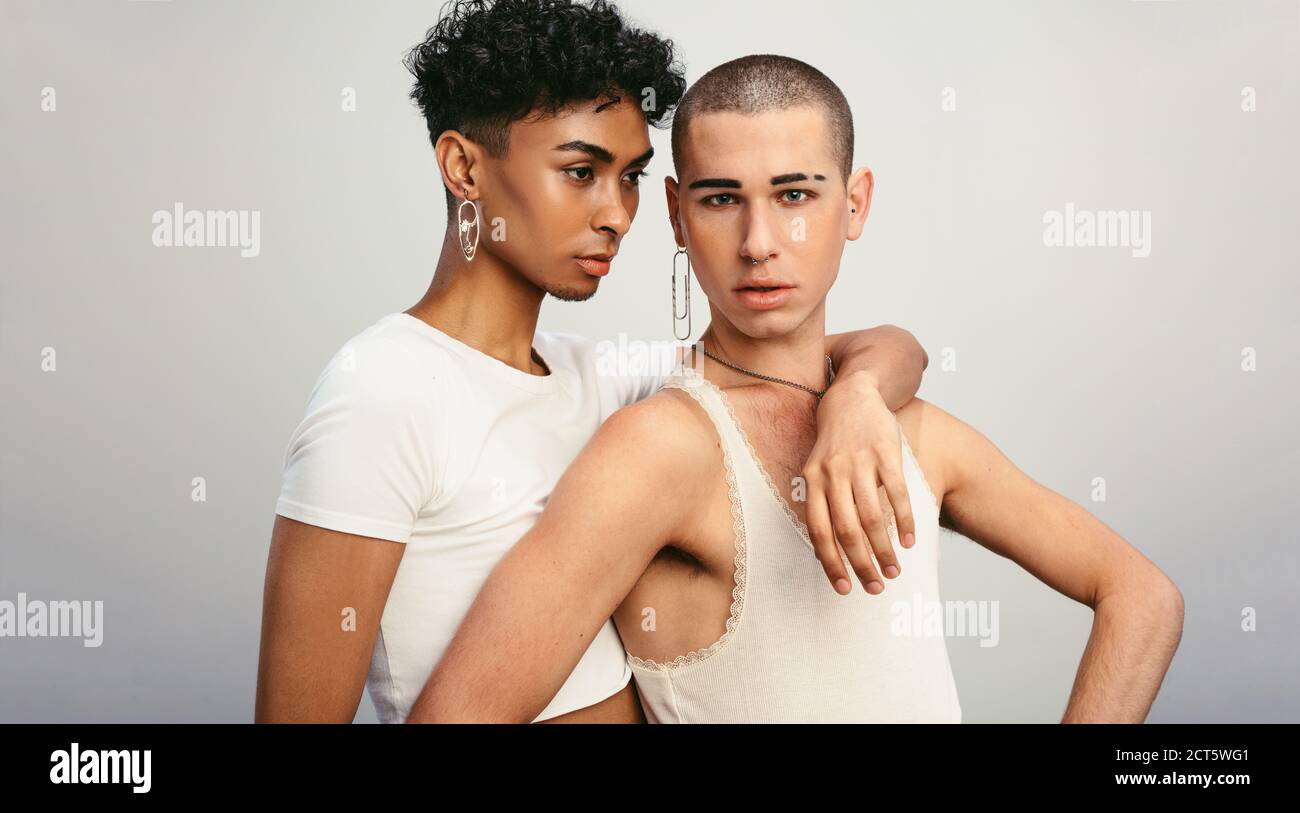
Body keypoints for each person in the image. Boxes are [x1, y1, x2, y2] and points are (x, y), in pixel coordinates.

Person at [406, 54, 1185, 723]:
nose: (758, 244)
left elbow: (1142, 596)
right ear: (677, 215)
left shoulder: (908, 429)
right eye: (721, 199)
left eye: (794, 195)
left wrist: (856, 400)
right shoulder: (658, 448)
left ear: (855, 204)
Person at [255, 1, 930, 724]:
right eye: (582, 172)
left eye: (632, 177)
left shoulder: (600, 379)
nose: (617, 214)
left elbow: (872, 347)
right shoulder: (382, 393)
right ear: (462, 167)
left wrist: (856, 397)